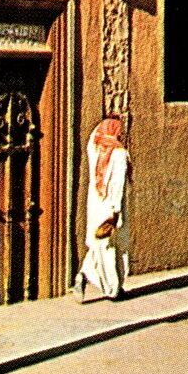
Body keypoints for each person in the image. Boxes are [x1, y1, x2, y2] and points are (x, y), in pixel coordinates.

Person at [74, 116, 131, 301]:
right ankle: (113, 289)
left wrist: (102, 126)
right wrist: (116, 211)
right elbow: (118, 184)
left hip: (95, 204)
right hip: (112, 205)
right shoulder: (120, 154)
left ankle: (84, 274)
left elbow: (93, 137)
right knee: (113, 246)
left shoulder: (95, 149)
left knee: (99, 242)